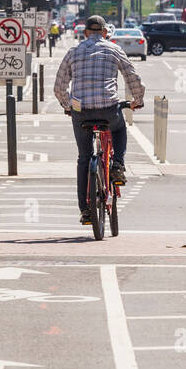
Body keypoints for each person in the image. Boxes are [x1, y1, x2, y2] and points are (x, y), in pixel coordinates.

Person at [53, 13, 144, 225]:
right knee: (119, 129)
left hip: (81, 111)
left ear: (85, 33)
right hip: (108, 109)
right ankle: (117, 164)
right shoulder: (114, 49)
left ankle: (85, 210)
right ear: (105, 33)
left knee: (84, 158)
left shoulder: (73, 52)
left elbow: (59, 87)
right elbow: (132, 77)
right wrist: (137, 100)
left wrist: (68, 106)